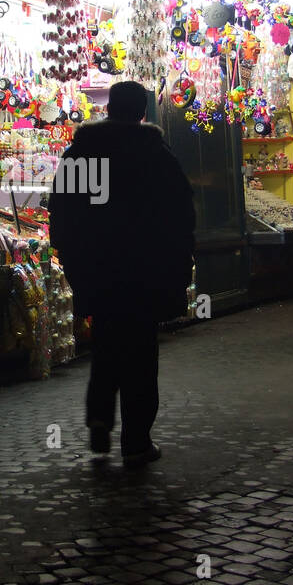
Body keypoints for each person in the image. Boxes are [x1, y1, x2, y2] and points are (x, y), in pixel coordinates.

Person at [48, 80, 195, 468]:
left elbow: (62, 214)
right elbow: (181, 219)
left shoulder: (81, 153)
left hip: (98, 272)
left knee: (106, 346)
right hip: (146, 275)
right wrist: (178, 267)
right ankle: (136, 441)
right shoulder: (157, 156)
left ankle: (99, 421)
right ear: (142, 112)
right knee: (142, 356)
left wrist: (72, 263)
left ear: (109, 109)